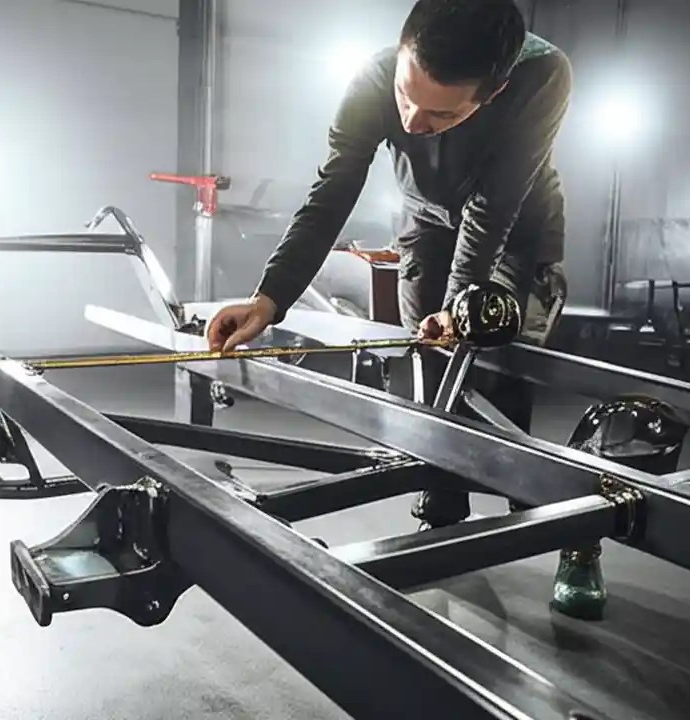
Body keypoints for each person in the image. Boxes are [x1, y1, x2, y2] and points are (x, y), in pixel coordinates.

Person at [205, 0, 602, 619]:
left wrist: (460, 305)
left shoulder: (541, 76)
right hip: (427, 226)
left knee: (498, 378)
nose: (413, 121)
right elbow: (332, 188)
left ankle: (568, 532)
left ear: (492, 92)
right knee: (431, 373)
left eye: (441, 112)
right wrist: (270, 296)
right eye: (405, 97)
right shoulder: (372, 78)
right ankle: (442, 513)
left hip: (516, 237)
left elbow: (494, 208)